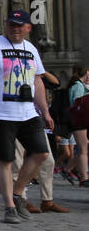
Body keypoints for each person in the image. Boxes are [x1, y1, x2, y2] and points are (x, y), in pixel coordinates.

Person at [0, 9, 54, 224]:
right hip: (0, 114)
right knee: (6, 160)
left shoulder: (32, 49)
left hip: (28, 113)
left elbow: (37, 82)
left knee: (41, 153)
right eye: (11, 25)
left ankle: (17, 192)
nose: (15, 29)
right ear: (6, 25)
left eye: (20, 25)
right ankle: (9, 206)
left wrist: (45, 111)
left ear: (29, 28)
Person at [13, 71, 69, 215]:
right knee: (17, 162)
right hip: (12, 117)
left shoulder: (35, 72)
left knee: (48, 160)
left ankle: (47, 200)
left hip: (34, 119)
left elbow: (56, 83)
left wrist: (40, 69)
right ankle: (21, 199)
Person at [68, 65, 89, 186]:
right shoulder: (78, 86)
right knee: (82, 150)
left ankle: (72, 170)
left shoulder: (78, 85)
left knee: (83, 149)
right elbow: (77, 104)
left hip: (79, 120)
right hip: (79, 121)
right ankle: (83, 177)